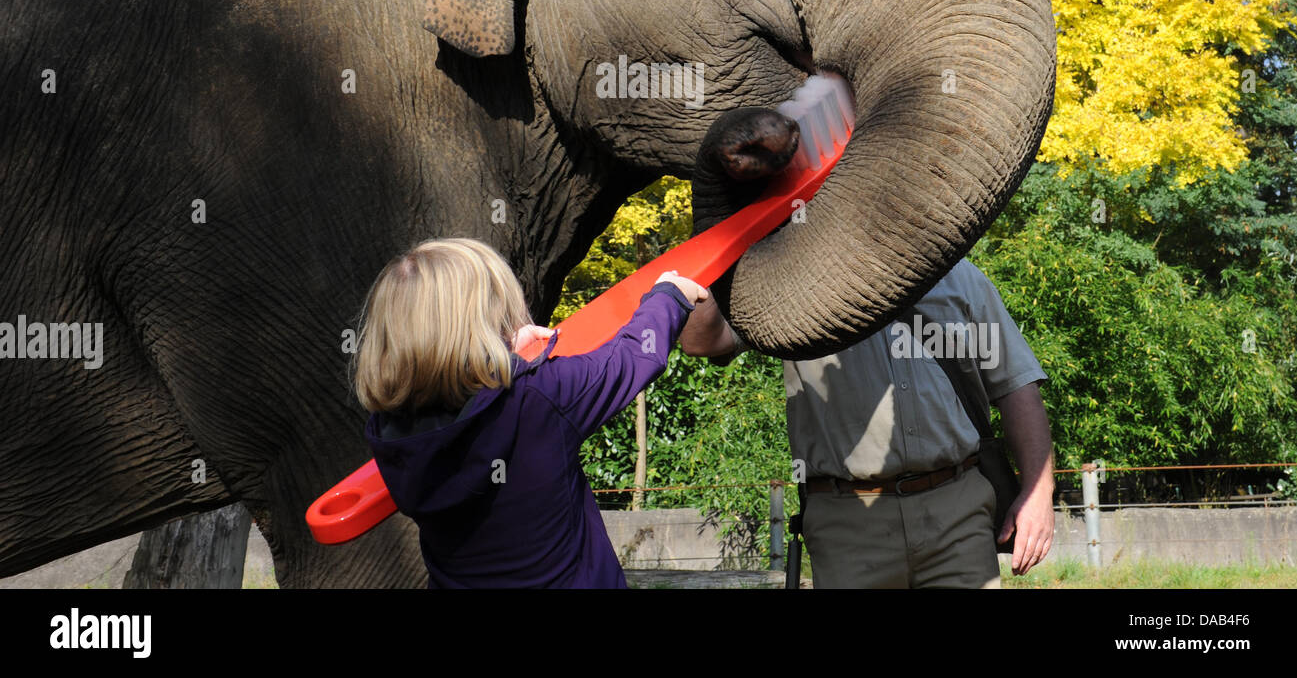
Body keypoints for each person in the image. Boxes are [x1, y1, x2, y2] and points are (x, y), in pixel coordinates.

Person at [354, 237, 709, 588]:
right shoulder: (541, 397)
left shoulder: (390, 431)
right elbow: (629, 360)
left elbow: (453, 392)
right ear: (485, 321)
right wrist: (668, 296)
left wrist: (501, 358)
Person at [680, 257, 1054, 588]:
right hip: (847, 522)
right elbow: (701, 339)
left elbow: (1016, 387)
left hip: (957, 511)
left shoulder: (961, 277)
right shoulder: (791, 281)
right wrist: (722, 237)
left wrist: (1038, 493)